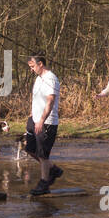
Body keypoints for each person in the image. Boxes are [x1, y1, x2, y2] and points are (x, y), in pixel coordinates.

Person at [26, 54, 64, 194]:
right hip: (34, 119)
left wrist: (42, 120)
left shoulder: (51, 79)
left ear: (40, 64)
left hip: (47, 121)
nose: (31, 69)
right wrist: (32, 115)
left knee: (43, 155)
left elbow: (50, 101)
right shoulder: (38, 78)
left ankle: (44, 183)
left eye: (33, 66)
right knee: (29, 149)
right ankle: (53, 169)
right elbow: (36, 99)